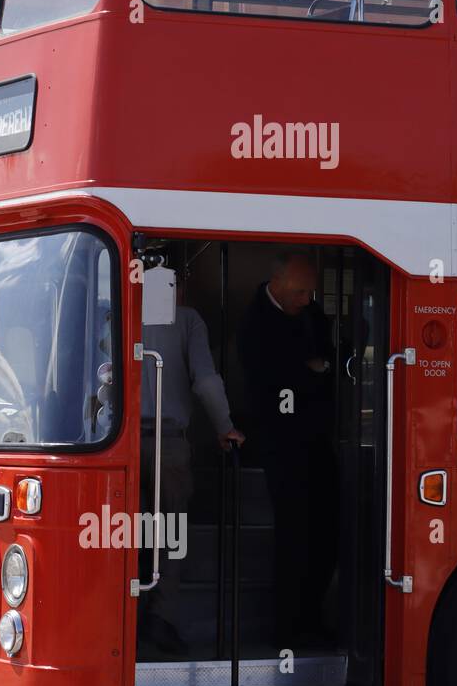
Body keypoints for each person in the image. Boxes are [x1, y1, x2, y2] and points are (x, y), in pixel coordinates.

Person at [237, 250, 339, 648]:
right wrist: (308, 370)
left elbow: (326, 360)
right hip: (278, 442)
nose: (305, 299)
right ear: (276, 284)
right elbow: (269, 378)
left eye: (309, 293)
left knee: (328, 533)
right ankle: (287, 626)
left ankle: (312, 616)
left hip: (317, 437)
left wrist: (314, 370)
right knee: (293, 535)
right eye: (299, 292)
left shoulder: (311, 314)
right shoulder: (253, 323)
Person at [138, 301, 244, 656]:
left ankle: (126, 616)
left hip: (116, 442)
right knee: (171, 535)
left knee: (120, 533)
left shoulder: (108, 304)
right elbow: (206, 382)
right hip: (169, 443)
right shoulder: (187, 319)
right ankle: (160, 620)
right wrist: (225, 427)